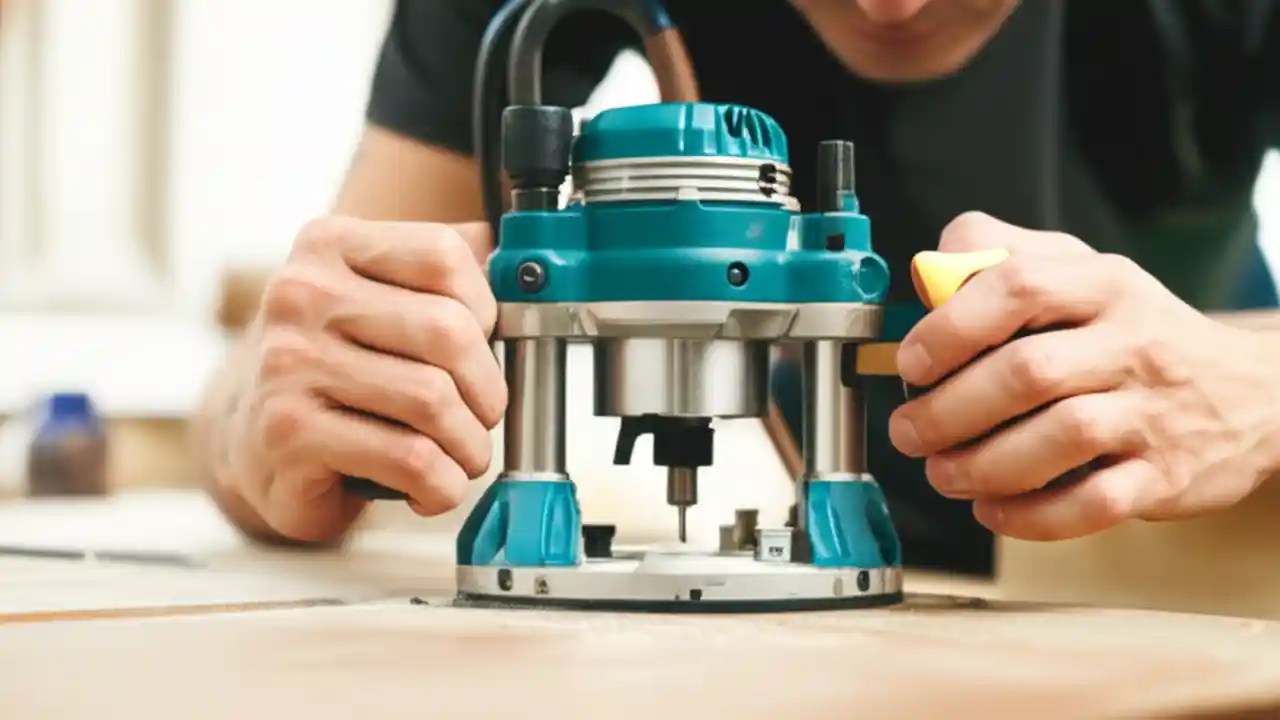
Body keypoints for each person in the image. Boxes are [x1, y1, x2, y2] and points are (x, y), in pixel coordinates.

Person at [191, 0, 1280, 576]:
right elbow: (324, 363)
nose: (886, 3)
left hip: (1178, 563)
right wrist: (255, 423)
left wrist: (1256, 383)